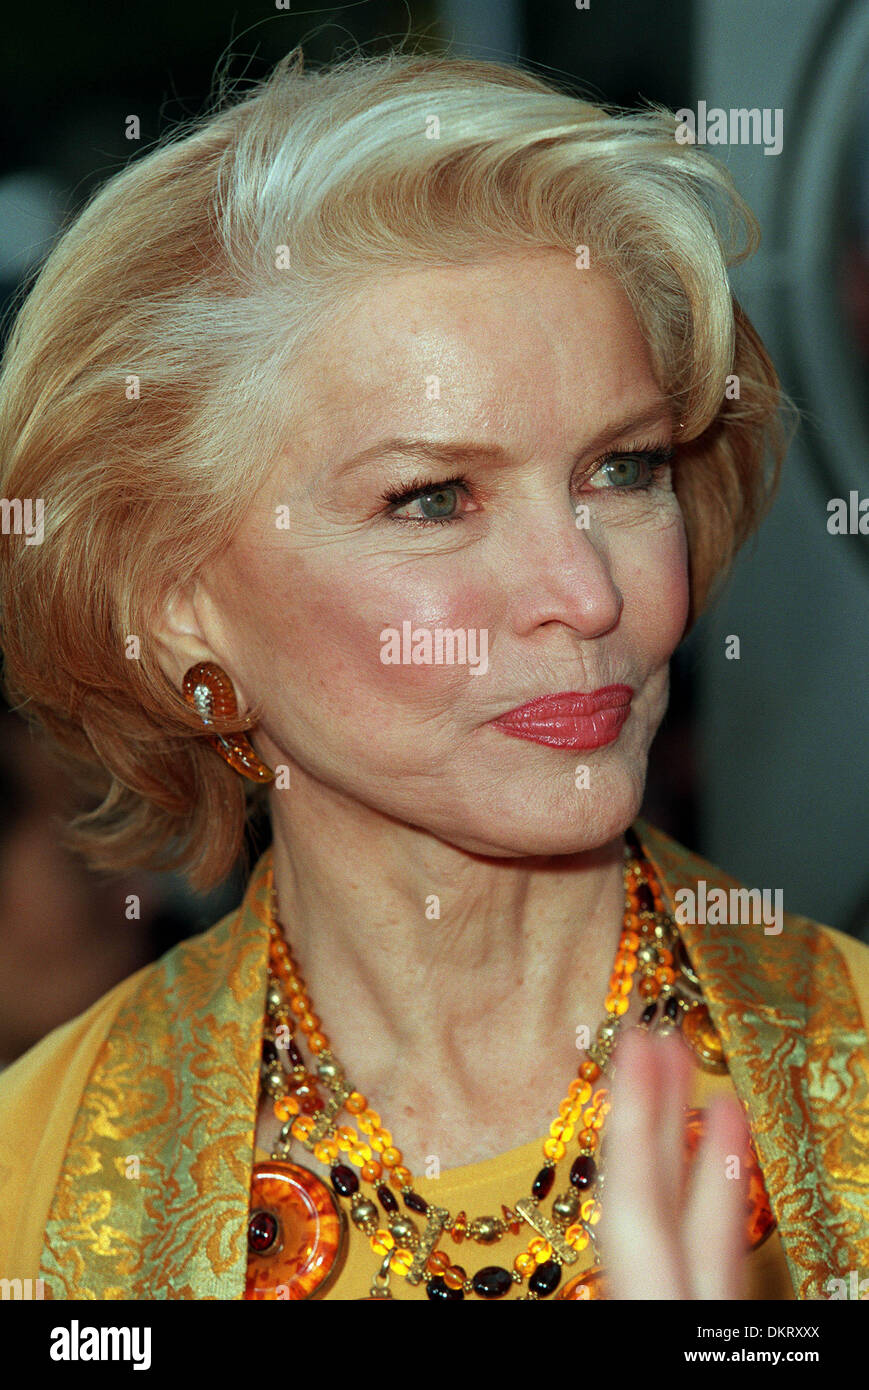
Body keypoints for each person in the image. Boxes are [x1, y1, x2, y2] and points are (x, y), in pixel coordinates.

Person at [0, 46, 866, 1302]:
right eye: (433, 498)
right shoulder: (33, 1190)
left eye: (621, 470)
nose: (586, 592)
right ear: (179, 604)